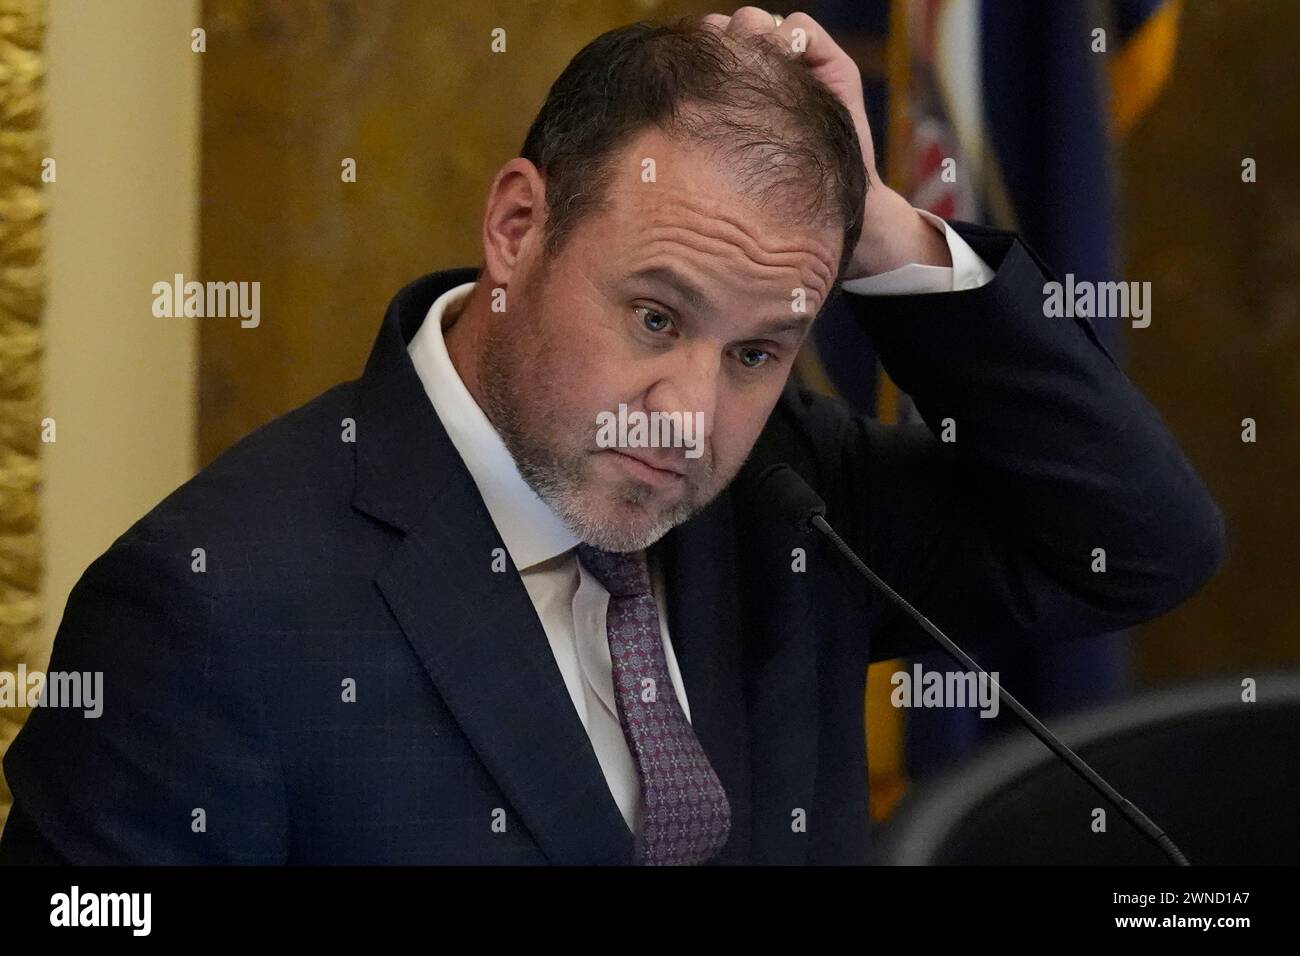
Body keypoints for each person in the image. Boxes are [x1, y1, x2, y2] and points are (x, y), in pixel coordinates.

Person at [0, 10, 1223, 865]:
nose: (690, 411)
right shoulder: (210, 610)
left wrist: (884, 233)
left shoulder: (788, 494)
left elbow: (1132, 544)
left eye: (757, 350)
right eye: (654, 314)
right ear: (519, 226)